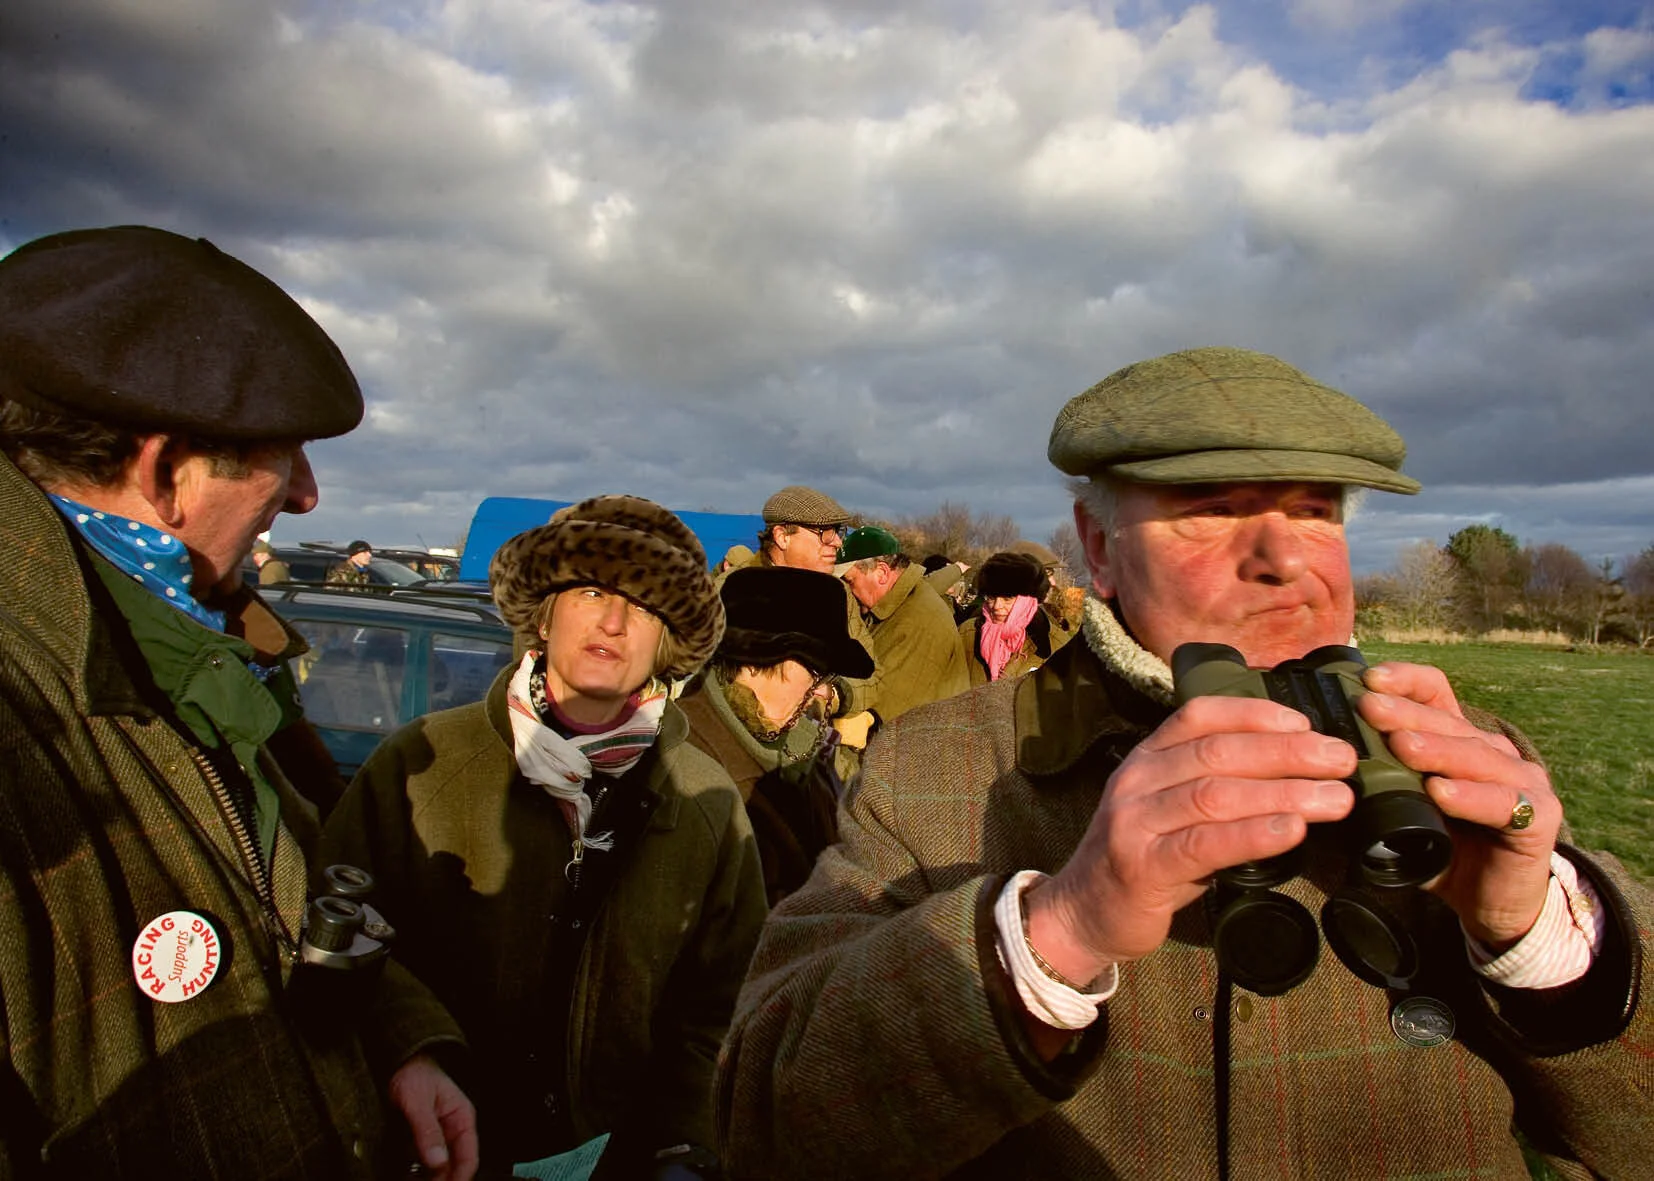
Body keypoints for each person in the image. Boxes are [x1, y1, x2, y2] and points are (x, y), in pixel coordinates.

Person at [717, 347, 1652, 1179]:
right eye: (1211, 511)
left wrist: (1547, 943)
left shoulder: (1470, 759)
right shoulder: (946, 765)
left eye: (1316, 511)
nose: (1285, 557)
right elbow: (761, 1126)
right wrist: (1060, 929)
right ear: (1098, 548)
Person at [0, 226, 474, 1179]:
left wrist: (397, 1038)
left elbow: (282, 896)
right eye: (284, 455)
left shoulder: (182, 646)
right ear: (165, 470)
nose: (304, 496)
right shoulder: (31, 708)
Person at [319, 495, 767, 1178]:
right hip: (423, 1151)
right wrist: (409, 1044)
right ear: (546, 610)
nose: (615, 621)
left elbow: (723, 1004)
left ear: (668, 639)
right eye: (592, 589)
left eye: (645, 605)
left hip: (613, 1158)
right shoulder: (421, 763)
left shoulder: (706, 801)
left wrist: (685, 1140)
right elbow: (336, 940)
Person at [679, 566, 875, 905]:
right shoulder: (688, 767)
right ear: (754, 662)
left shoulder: (803, 748)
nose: (817, 691)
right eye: (813, 671)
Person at [834, 525, 970, 722]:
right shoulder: (895, 607)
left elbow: (883, 707)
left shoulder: (919, 620)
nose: (847, 590)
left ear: (881, 573)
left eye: (850, 581)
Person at [958, 550, 1059, 685]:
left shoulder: (1055, 645)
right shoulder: (968, 633)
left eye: (1007, 598)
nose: (996, 606)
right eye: (992, 597)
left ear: (1027, 600)